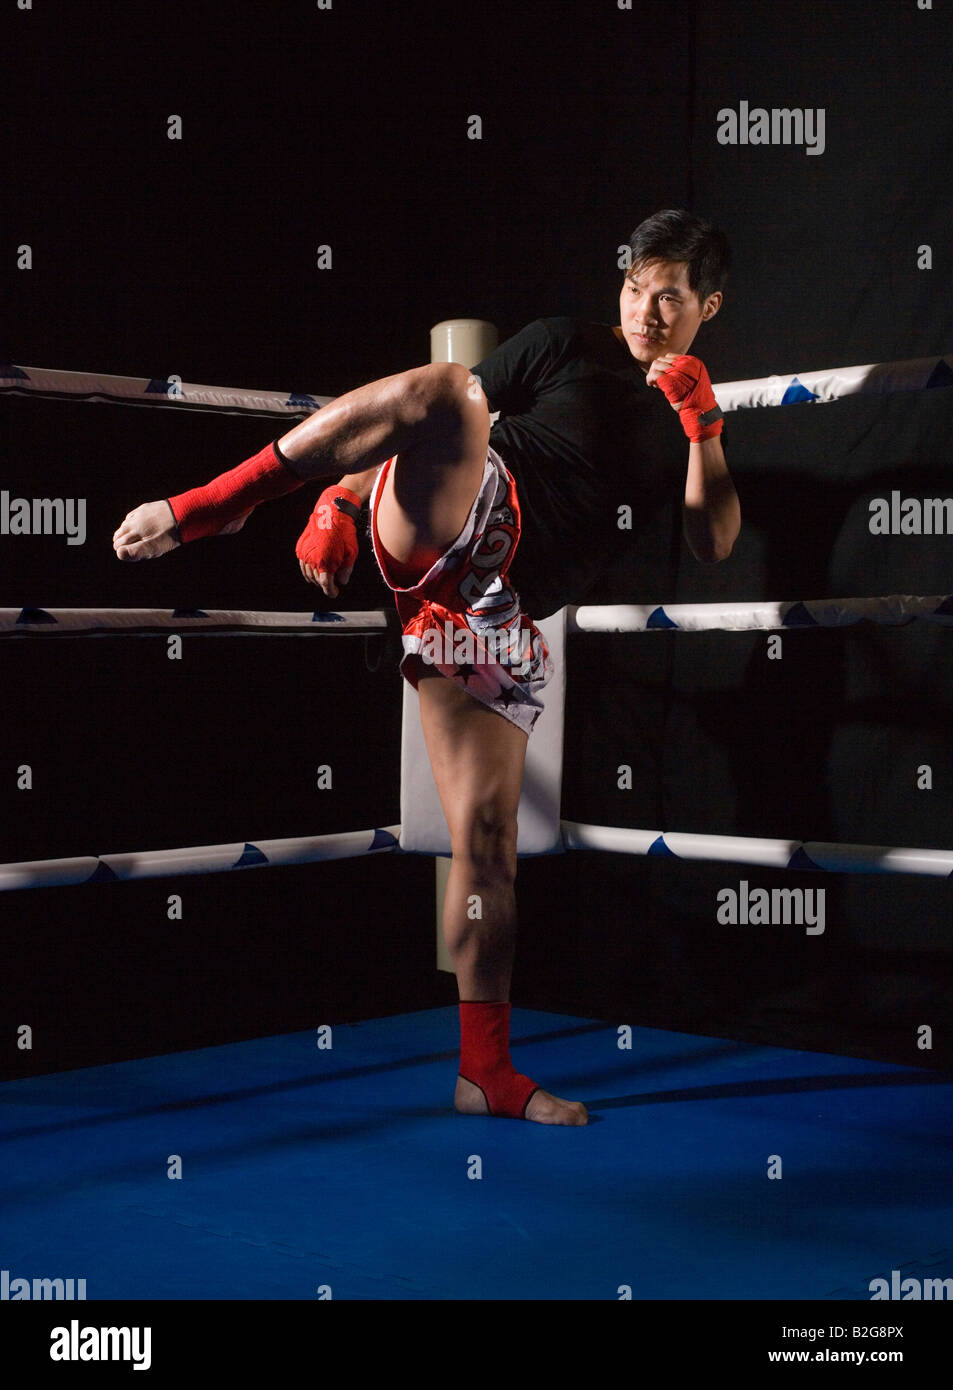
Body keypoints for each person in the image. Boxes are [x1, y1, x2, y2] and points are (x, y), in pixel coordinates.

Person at [112, 209, 741, 1126]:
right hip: (466, 515)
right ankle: (214, 503)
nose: (644, 312)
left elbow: (713, 541)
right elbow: (415, 414)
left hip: (490, 617)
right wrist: (337, 499)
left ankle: (484, 1073)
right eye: (634, 289)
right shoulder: (564, 344)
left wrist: (702, 424)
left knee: (485, 847)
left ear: (706, 306)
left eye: (669, 297)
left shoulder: (688, 410)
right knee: (451, 388)